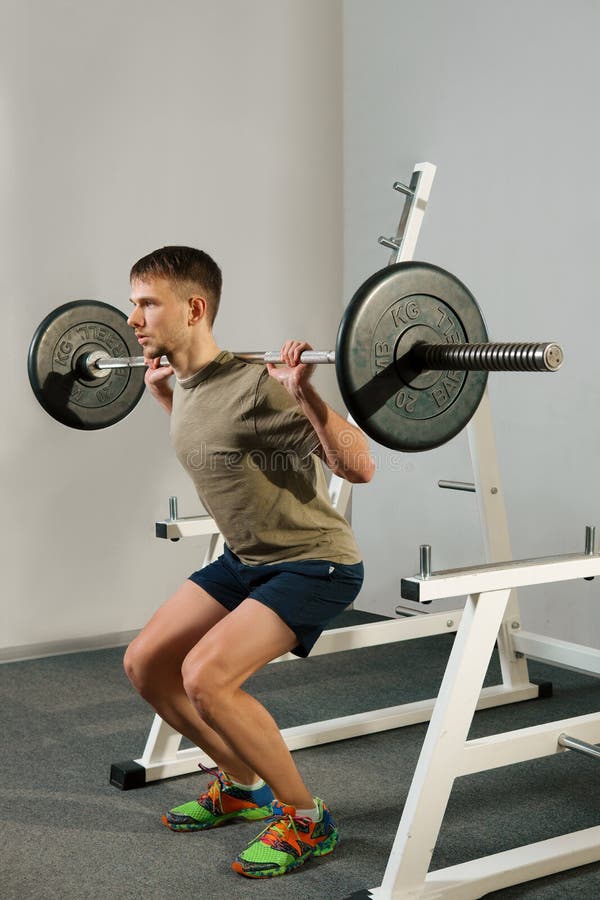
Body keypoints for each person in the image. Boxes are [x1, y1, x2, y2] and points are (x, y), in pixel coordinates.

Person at [123, 246, 375, 879]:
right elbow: (217, 442)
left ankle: (306, 818)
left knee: (206, 676)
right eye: (133, 303)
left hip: (314, 562)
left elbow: (361, 467)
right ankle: (241, 784)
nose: (133, 319)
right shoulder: (184, 383)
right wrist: (164, 399)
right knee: (146, 664)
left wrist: (304, 394)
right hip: (246, 561)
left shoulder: (256, 385)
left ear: (194, 309)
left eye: (147, 303)